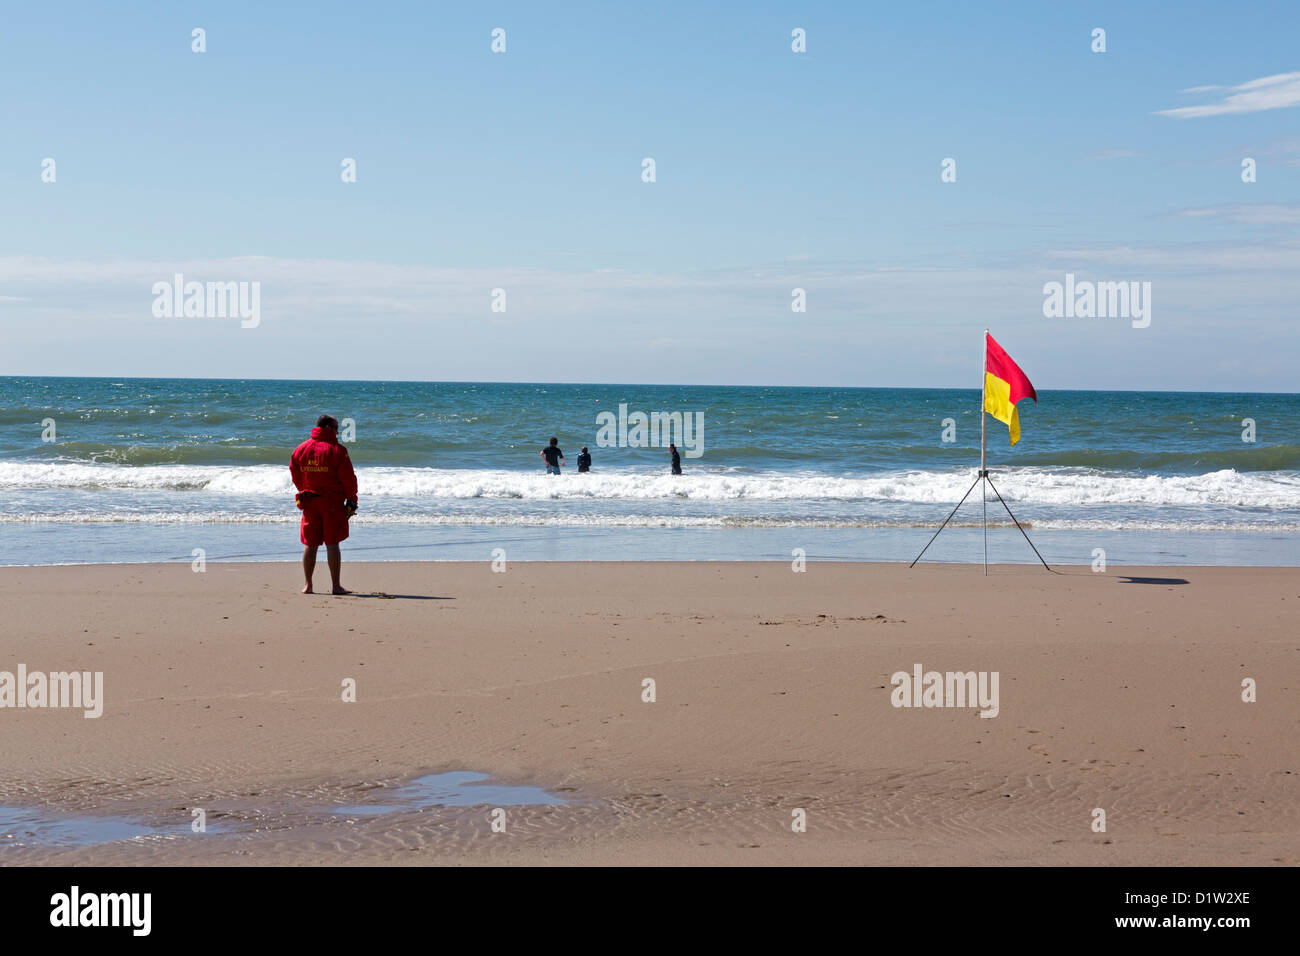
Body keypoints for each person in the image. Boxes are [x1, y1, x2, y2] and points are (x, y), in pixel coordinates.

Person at [290, 414, 358, 595]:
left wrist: (304, 489)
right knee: (332, 543)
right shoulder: (337, 451)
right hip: (332, 503)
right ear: (328, 428)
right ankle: (336, 586)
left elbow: (295, 474)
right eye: (336, 428)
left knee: (310, 544)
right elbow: (349, 480)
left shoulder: (300, 449)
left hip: (310, 502)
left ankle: (308, 585)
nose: (338, 432)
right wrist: (352, 501)